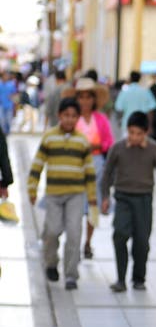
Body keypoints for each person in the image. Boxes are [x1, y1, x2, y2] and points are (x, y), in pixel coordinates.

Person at [101, 111, 156, 292]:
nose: (134, 137)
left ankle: (138, 278)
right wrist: (105, 196)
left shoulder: (154, 149)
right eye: (131, 132)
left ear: (146, 132)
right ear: (127, 130)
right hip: (122, 198)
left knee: (142, 242)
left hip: (144, 200)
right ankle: (120, 279)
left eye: (138, 133)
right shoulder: (118, 148)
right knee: (119, 234)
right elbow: (107, 173)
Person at [27, 97, 96, 290]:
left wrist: (92, 197)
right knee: (52, 231)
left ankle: (71, 274)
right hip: (54, 195)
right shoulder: (49, 137)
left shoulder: (82, 141)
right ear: (59, 116)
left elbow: (89, 170)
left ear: (78, 118)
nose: (69, 119)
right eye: (66, 115)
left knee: (74, 233)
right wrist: (32, 188)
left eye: (74, 116)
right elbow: (37, 164)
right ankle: (51, 262)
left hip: (75, 194)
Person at [62, 77, 114, 259]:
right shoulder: (72, 118)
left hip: (96, 165)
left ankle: (88, 242)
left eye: (88, 97)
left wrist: (97, 146)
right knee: (74, 205)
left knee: (92, 204)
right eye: (81, 97)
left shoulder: (100, 119)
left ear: (93, 99)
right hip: (74, 165)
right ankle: (74, 241)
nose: (85, 101)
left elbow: (109, 141)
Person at [114, 70, 156, 137]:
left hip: (127, 125)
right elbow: (151, 109)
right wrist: (150, 125)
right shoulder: (145, 91)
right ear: (139, 79)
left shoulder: (125, 92)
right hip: (142, 126)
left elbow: (119, 108)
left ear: (130, 79)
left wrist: (120, 120)